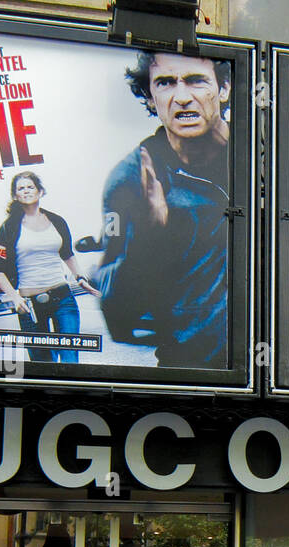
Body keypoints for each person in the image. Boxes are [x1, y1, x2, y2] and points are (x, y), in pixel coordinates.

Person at [96, 51, 231, 370]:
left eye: (197, 81)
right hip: (191, 376)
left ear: (223, 89)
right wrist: (147, 240)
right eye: (166, 83)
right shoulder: (130, 178)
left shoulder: (264, 156)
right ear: (150, 97)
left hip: (273, 378)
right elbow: (118, 319)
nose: (182, 97)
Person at [0, 171, 98, 361]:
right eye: (21, 188)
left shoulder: (57, 221)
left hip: (63, 299)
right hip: (29, 305)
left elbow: (67, 254)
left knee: (70, 360)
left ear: (40, 192)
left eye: (30, 187)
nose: (26, 191)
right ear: (15, 196)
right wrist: (15, 299)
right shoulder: (8, 228)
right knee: (43, 365)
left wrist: (80, 278)